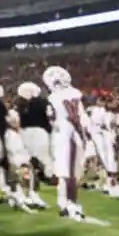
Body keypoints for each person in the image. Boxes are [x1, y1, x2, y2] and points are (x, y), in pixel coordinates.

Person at [45, 65, 88, 220]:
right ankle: (70, 203)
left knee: (66, 171)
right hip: (71, 133)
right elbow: (81, 118)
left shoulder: (53, 98)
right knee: (70, 172)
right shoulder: (74, 95)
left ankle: (65, 203)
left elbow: (52, 119)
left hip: (63, 133)